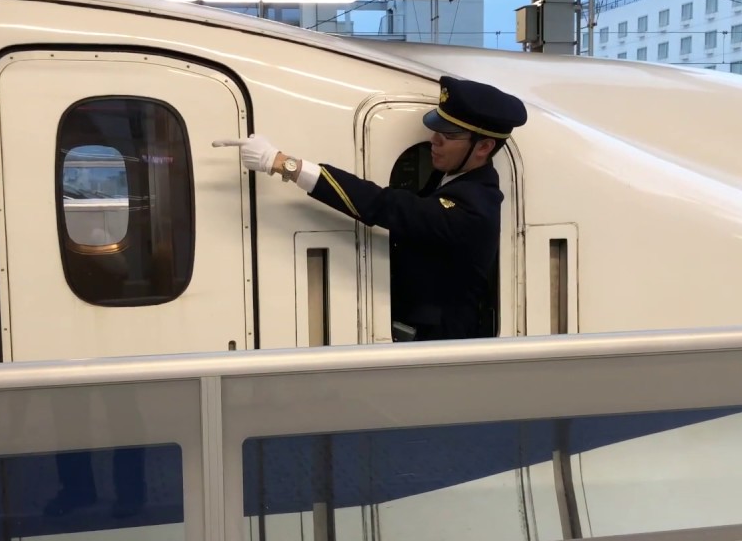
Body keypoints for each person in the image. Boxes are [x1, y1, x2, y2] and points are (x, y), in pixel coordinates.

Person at [214, 75, 527, 342]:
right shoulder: (452, 176)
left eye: (448, 136)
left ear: (483, 147)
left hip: (442, 343)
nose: (434, 140)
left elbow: (384, 205)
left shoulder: (475, 207)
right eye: (437, 130)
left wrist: (283, 164)